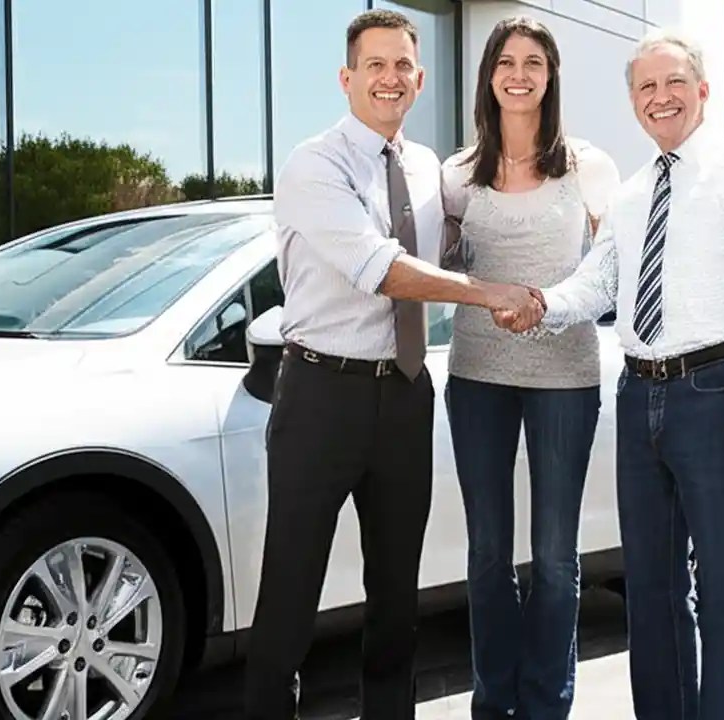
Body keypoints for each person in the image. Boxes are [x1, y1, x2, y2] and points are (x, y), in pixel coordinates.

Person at [242, 9, 544, 720]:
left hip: (405, 395)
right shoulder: (314, 164)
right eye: (374, 65)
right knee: (290, 592)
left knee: (395, 600)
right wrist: (492, 293)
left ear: (420, 76)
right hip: (321, 394)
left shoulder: (426, 168)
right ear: (347, 78)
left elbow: (459, 250)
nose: (390, 78)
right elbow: (382, 269)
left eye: (402, 65)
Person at [499, 29, 724, 720]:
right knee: (654, 595)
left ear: (701, 90)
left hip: (719, 393)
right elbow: (596, 284)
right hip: (638, 397)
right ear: (634, 101)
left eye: (673, 84)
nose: (659, 98)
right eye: (645, 88)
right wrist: (538, 305)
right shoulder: (634, 194)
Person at [439, 16, 620, 720]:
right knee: (487, 553)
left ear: (551, 77)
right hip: (478, 375)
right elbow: (440, 268)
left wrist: (551, 305)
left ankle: (545, 704)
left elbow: (607, 277)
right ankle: (495, 700)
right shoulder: (456, 176)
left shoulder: (588, 166)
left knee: (554, 556)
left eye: (534, 63)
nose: (520, 74)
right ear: (488, 75)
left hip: (566, 378)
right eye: (507, 61)